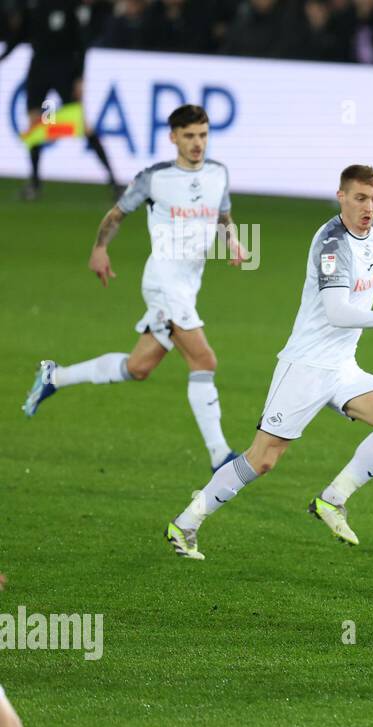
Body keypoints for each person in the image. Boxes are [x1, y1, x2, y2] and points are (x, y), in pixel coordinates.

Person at [164, 165, 373, 560]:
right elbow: (337, 312)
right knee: (262, 460)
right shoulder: (331, 244)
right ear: (341, 196)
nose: (368, 207)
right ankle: (185, 524)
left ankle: (332, 500)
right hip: (305, 367)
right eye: (359, 198)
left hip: (342, 366)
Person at [24, 105, 246, 473]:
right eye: (189, 136)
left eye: (203, 135)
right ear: (173, 137)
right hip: (162, 282)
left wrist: (233, 243)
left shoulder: (218, 173)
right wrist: (99, 249)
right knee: (204, 360)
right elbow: (116, 214)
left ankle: (55, 376)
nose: (197, 143)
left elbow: (223, 216)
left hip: (188, 286)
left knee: (138, 367)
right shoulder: (153, 178)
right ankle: (220, 456)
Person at [1, 0, 118, 200]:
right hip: (38, 69)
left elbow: (81, 45)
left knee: (81, 124)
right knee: (35, 124)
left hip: (65, 70)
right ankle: (35, 183)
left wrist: (80, 78)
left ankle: (114, 182)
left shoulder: (70, 7)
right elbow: (19, 37)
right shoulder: (33, 7)